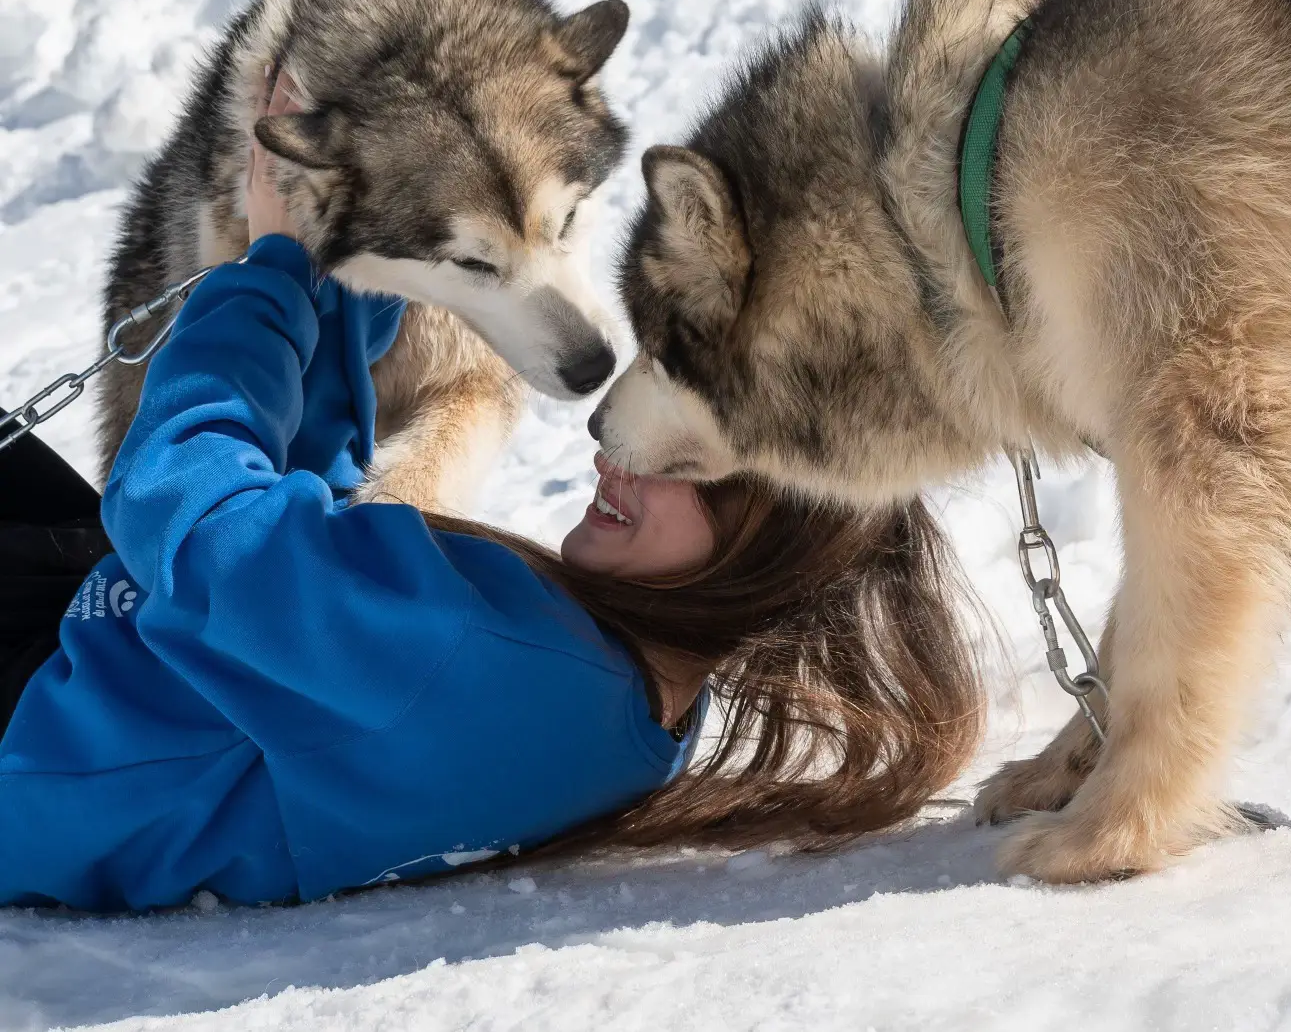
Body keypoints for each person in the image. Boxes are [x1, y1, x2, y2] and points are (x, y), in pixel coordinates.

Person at [0, 77, 985, 913]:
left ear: (767, 551)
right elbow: (300, 562)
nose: (615, 455)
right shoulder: (627, 717)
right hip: (104, 670)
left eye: (680, 464)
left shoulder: (484, 662)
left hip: (40, 730)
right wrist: (343, 278)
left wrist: (273, 275)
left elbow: (189, 512)